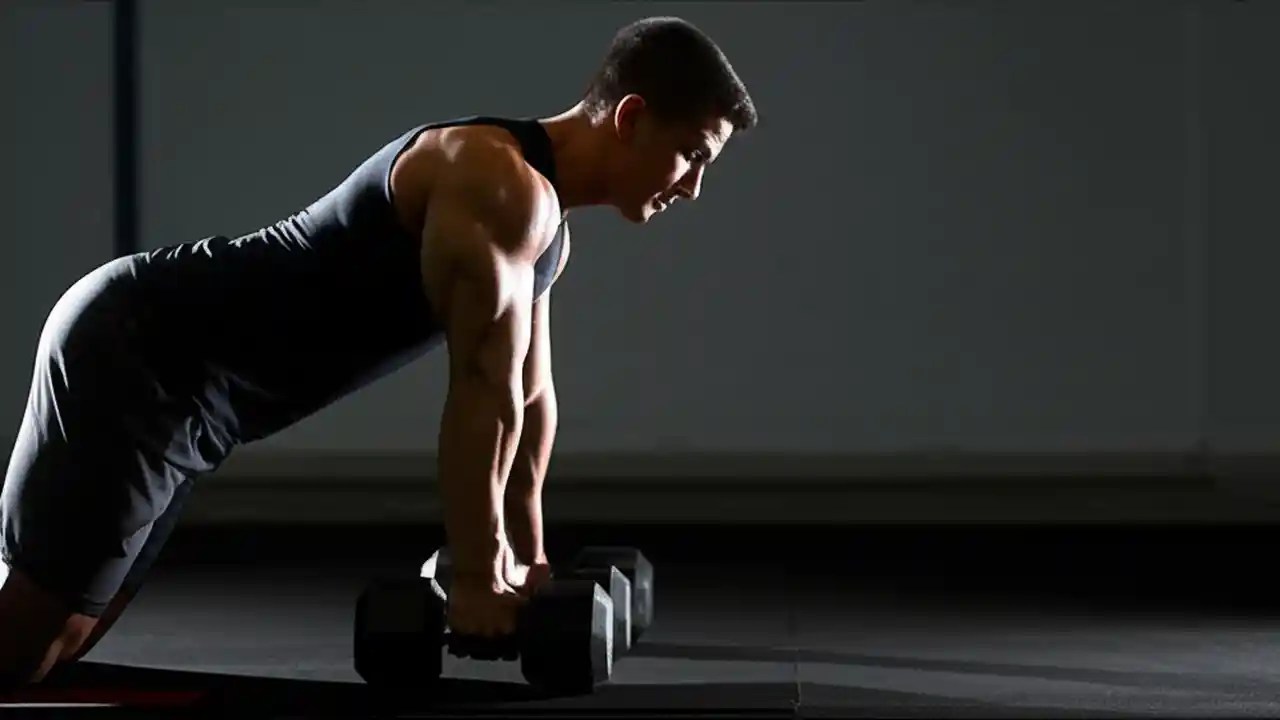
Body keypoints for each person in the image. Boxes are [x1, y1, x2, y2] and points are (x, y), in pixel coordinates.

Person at [0, 15, 757, 687]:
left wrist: (524, 559)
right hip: (141, 352)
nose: (692, 187)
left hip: (200, 408)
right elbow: (481, 390)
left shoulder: (548, 229)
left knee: (64, 639)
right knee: (17, 655)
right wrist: (472, 573)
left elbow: (530, 398)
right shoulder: (497, 184)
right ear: (630, 117)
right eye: (691, 154)